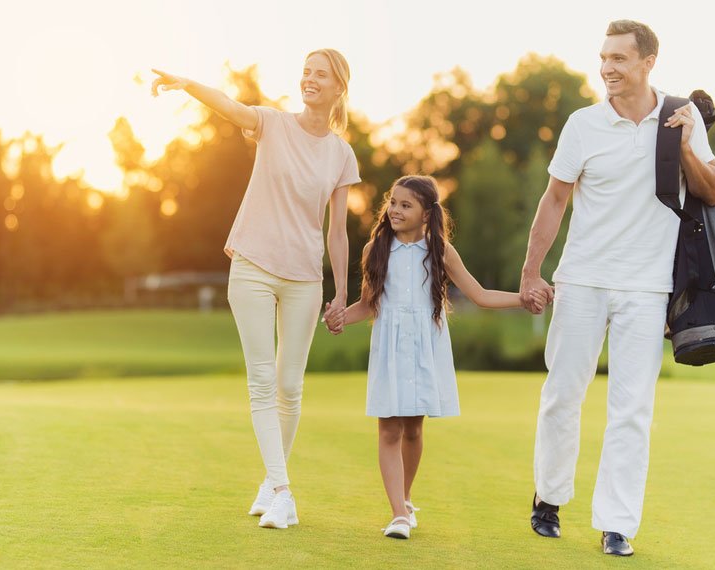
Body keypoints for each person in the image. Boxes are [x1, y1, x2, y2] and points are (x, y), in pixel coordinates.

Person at [518, 20, 715, 556]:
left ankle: (617, 524)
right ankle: (549, 498)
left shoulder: (680, 117)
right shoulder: (582, 124)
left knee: (632, 408)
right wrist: (531, 270)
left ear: (647, 62)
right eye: (604, 58)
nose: (608, 68)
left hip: (647, 287)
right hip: (582, 279)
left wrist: (682, 144)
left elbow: (712, 188)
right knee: (562, 394)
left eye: (619, 59)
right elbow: (555, 200)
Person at [151, 49, 360, 529]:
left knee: (290, 385)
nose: (309, 80)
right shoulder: (272, 123)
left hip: (305, 277)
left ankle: (271, 480)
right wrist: (187, 83)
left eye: (320, 75)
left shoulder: (341, 154)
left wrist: (340, 293)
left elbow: (336, 232)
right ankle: (283, 491)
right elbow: (230, 107)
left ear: (338, 88)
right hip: (253, 266)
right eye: (306, 72)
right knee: (263, 380)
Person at [326, 175, 546, 539]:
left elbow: (479, 295)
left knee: (413, 427)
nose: (395, 210)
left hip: (425, 344)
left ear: (427, 214)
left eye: (405, 205)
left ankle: (406, 499)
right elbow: (367, 305)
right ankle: (398, 513)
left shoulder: (440, 250)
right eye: (393, 202)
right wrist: (339, 318)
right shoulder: (375, 249)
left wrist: (522, 299)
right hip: (391, 348)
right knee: (389, 427)